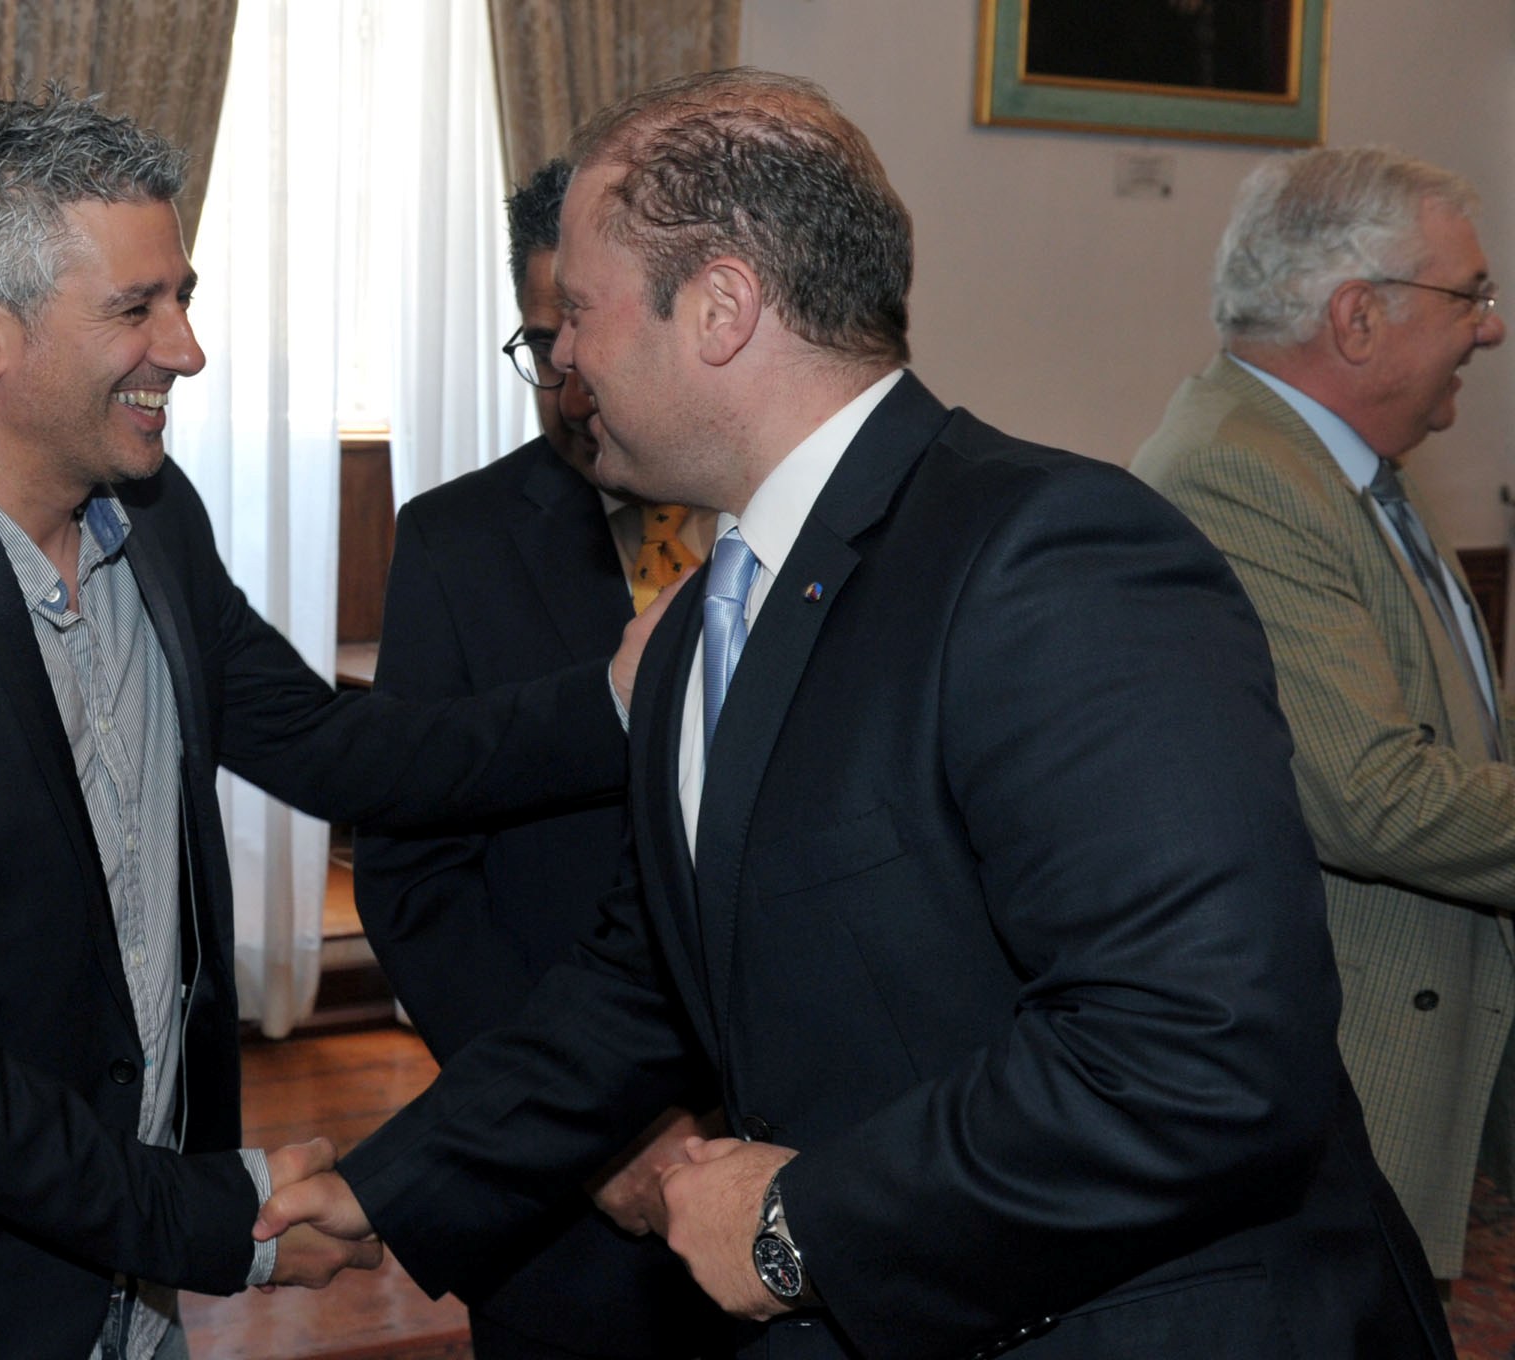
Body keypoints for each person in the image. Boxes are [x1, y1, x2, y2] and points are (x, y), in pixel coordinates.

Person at [259, 69, 1454, 1358]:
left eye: (582, 312)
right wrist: (386, 1188)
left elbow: (1200, 1055)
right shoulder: (708, 616)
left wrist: (799, 1223)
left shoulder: (1052, 556)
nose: (561, 355)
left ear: (718, 309)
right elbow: (642, 979)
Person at [0, 89, 647, 1360]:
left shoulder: (153, 519)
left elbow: (337, 749)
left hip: (126, 1293)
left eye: (182, 298)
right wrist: (214, 1220)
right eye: (135, 308)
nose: (186, 349)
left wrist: (614, 699)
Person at [352, 157, 723, 1360]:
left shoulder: (803, 520)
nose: (567, 377)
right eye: (538, 340)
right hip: (569, 1208)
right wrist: (579, 1128)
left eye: (587, 335)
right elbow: (415, 879)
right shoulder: (455, 543)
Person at [1133, 145, 1513, 1286]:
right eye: (1469, 297)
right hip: (1340, 1072)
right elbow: (1372, 796)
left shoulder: (1337, 459)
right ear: (1357, 317)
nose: (1490, 328)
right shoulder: (1240, 475)